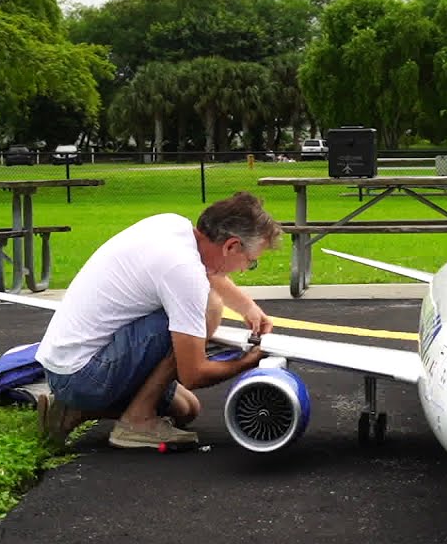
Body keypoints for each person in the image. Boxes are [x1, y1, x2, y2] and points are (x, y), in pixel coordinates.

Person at [34, 191, 283, 451]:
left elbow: (206, 270)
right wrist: (247, 363)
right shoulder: (184, 272)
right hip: (83, 376)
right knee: (209, 309)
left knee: (186, 409)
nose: (244, 269)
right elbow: (194, 374)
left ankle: (72, 411)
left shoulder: (173, 226)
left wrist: (248, 308)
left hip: (66, 369)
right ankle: (136, 421)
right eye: (250, 262)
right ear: (231, 246)